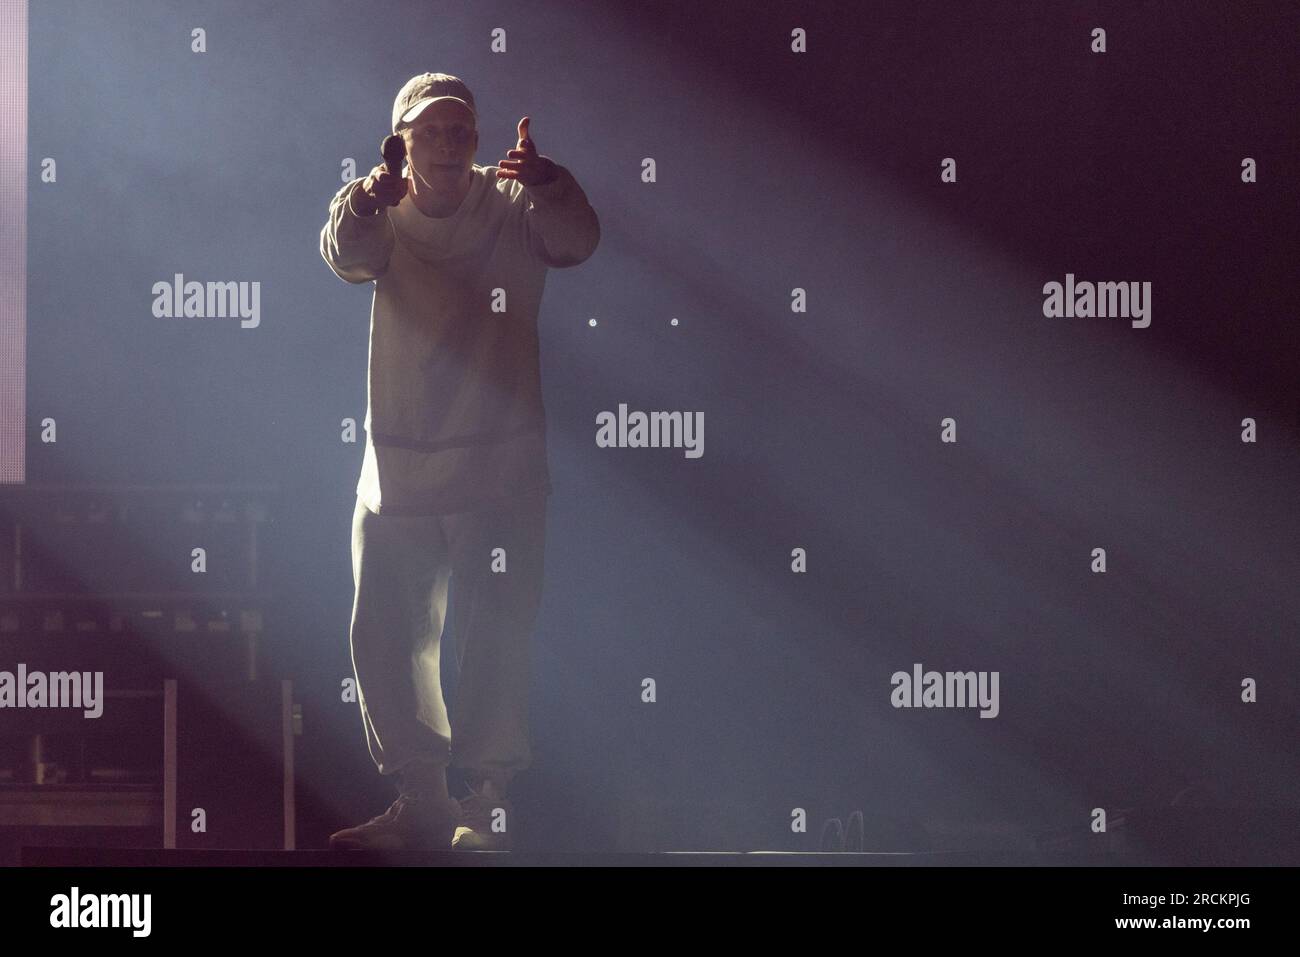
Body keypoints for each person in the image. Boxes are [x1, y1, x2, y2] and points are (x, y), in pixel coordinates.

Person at [319, 73, 599, 850]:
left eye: (459, 130)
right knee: (386, 631)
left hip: (498, 464)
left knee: (494, 632)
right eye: (429, 131)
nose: (446, 143)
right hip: (400, 465)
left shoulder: (514, 201)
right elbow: (346, 254)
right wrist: (369, 198)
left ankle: (485, 803)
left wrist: (547, 178)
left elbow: (577, 240)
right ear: (400, 140)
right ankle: (421, 798)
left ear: (477, 140)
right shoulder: (378, 204)